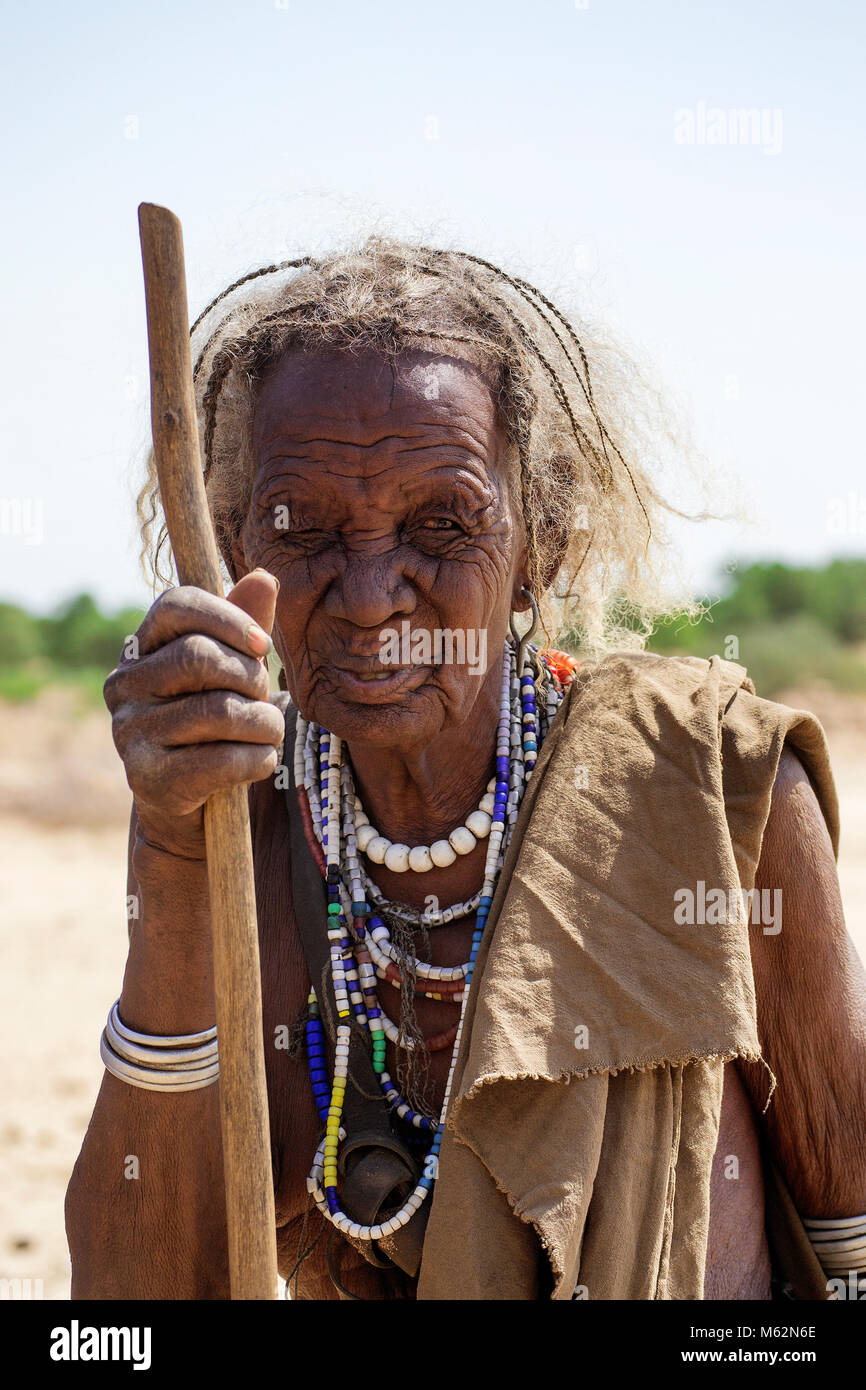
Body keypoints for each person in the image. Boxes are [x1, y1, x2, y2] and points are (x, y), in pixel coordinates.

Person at [66, 240, 866, 1300]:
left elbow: (850, 1239)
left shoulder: (718, 787)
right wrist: (169, 844)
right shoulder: (241, 833)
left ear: (540, 544)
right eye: (301, 528)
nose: (366, 595)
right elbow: (134, 1312)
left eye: (440, 522)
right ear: (231, 543)